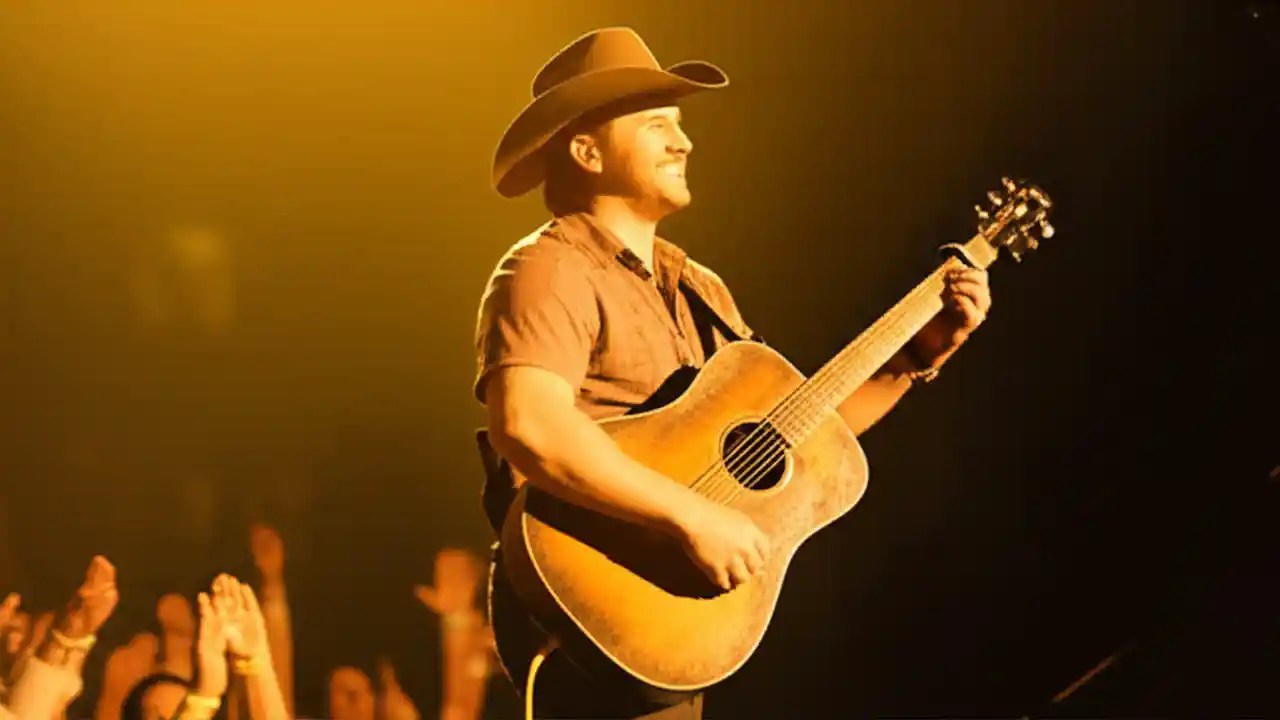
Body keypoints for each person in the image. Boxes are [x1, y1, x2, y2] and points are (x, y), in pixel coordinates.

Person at [472, 26, 994, 719]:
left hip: (675, 623)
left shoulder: (700, 288)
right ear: (586, 150)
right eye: (657, 124)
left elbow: (798, 437)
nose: (684, 142)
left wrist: (920, 356)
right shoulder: (550, 268)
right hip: (596, 606)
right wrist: (689, 516)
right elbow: (529, 426)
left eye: (681, 126)